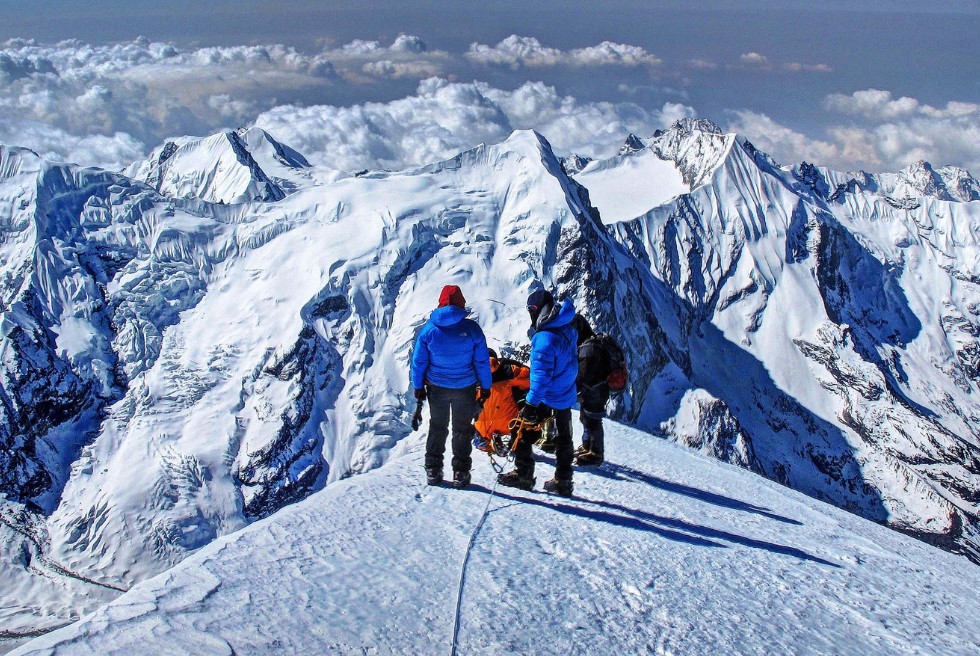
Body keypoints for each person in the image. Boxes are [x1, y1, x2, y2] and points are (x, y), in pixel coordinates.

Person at [497, 289, 578, 497]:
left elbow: (541, 378)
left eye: (532, 311)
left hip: (548, 394)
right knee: (564, 437)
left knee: (521, 428)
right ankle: (564, 480)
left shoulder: (544, 339)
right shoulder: (567, 327)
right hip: (566, 391)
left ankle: (523, 474)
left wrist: (531, 404)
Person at [411, 285, 492, 489]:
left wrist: (418, 385)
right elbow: (482, 361)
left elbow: (419, 362)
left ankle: (433, 469)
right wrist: (486, 386)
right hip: (465, 387)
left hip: (436, 387)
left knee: (438, 426)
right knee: (462, 430)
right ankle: (461, 472)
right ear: (461, 303)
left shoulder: (428, 330)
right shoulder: (472, 329)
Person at [472, 349, 531, 455]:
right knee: (521, 392)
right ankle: (510, 438)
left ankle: (481, 439)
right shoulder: (508, 370)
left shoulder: (472, 374)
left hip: (483, 426)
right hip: (509, 423)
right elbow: (529, 379)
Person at [571, 315, 610, 466]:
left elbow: (584, 374)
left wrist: (574, 388)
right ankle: (587, 447)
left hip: (595, 390)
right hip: (597, 389)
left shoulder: (588, 348)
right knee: (587, 418)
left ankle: (595, 453)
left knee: (592, 420)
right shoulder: (590, 343)